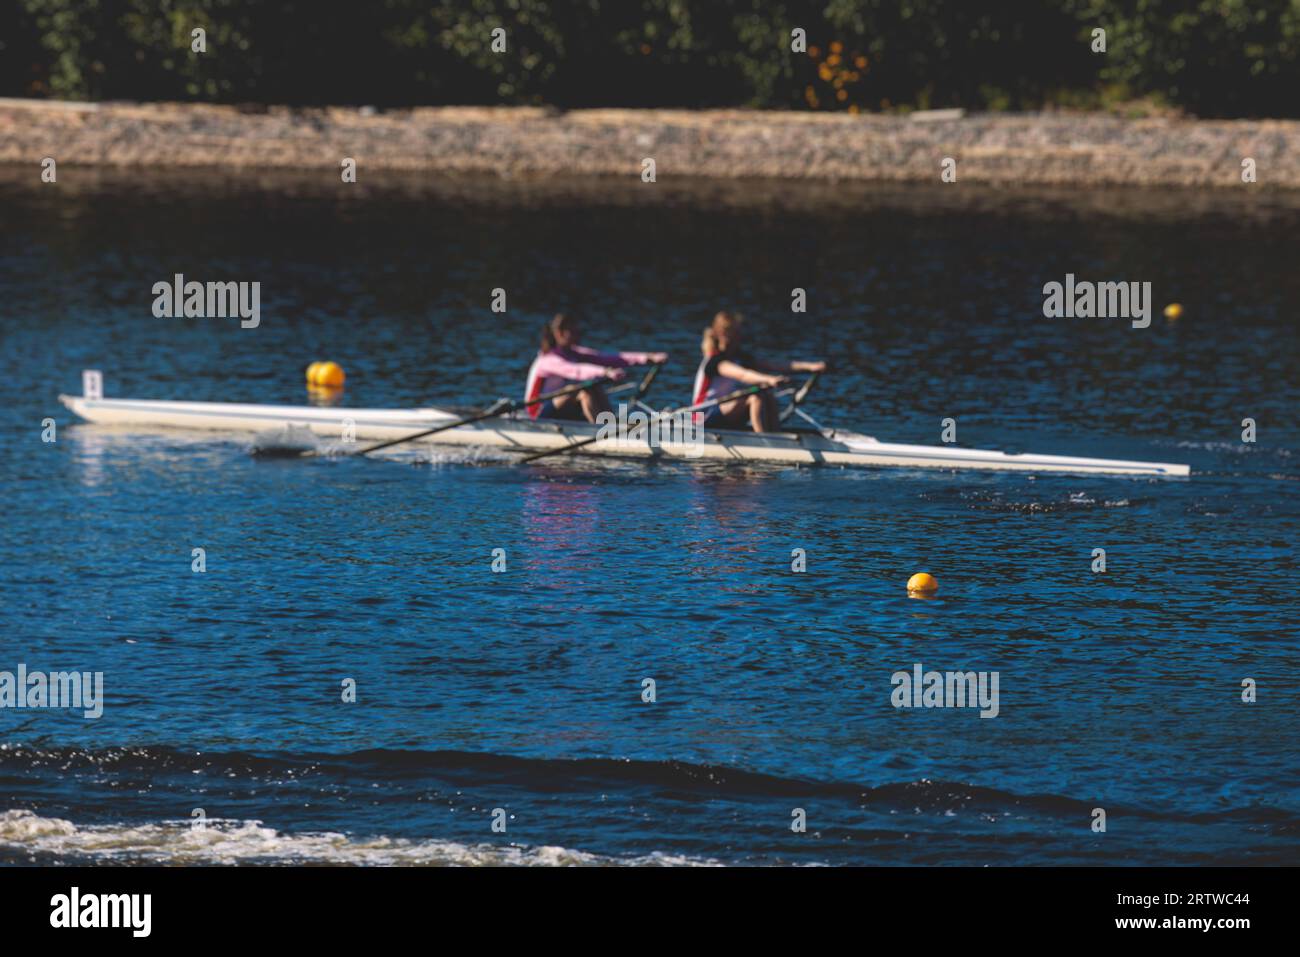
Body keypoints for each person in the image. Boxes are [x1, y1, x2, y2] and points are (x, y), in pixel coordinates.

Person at [691, 311, 826, 432]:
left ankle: (776, 435)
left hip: (723, 412)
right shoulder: (715, 361)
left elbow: (776, 365)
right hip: (701, 417)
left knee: (766, 393)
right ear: (724, 335)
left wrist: (811, 366)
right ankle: (763, 440)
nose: (741, 336)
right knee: (755, 397)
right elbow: (743, 375)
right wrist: (769, 379)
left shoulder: (740, 357)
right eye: (737, 333)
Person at [524, 313, 668, 422]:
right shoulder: (548, 360)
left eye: (578, 331)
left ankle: (610, 424)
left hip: (558, 408)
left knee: (593, 387)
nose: (577, 335)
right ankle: (600, 431)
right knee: (583, 390)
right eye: (573, 332)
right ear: (559, 333)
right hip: (537, 413)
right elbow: (577, 371)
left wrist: (648, 358)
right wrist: (606, 372)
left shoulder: (573, 353)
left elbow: (609, 358)